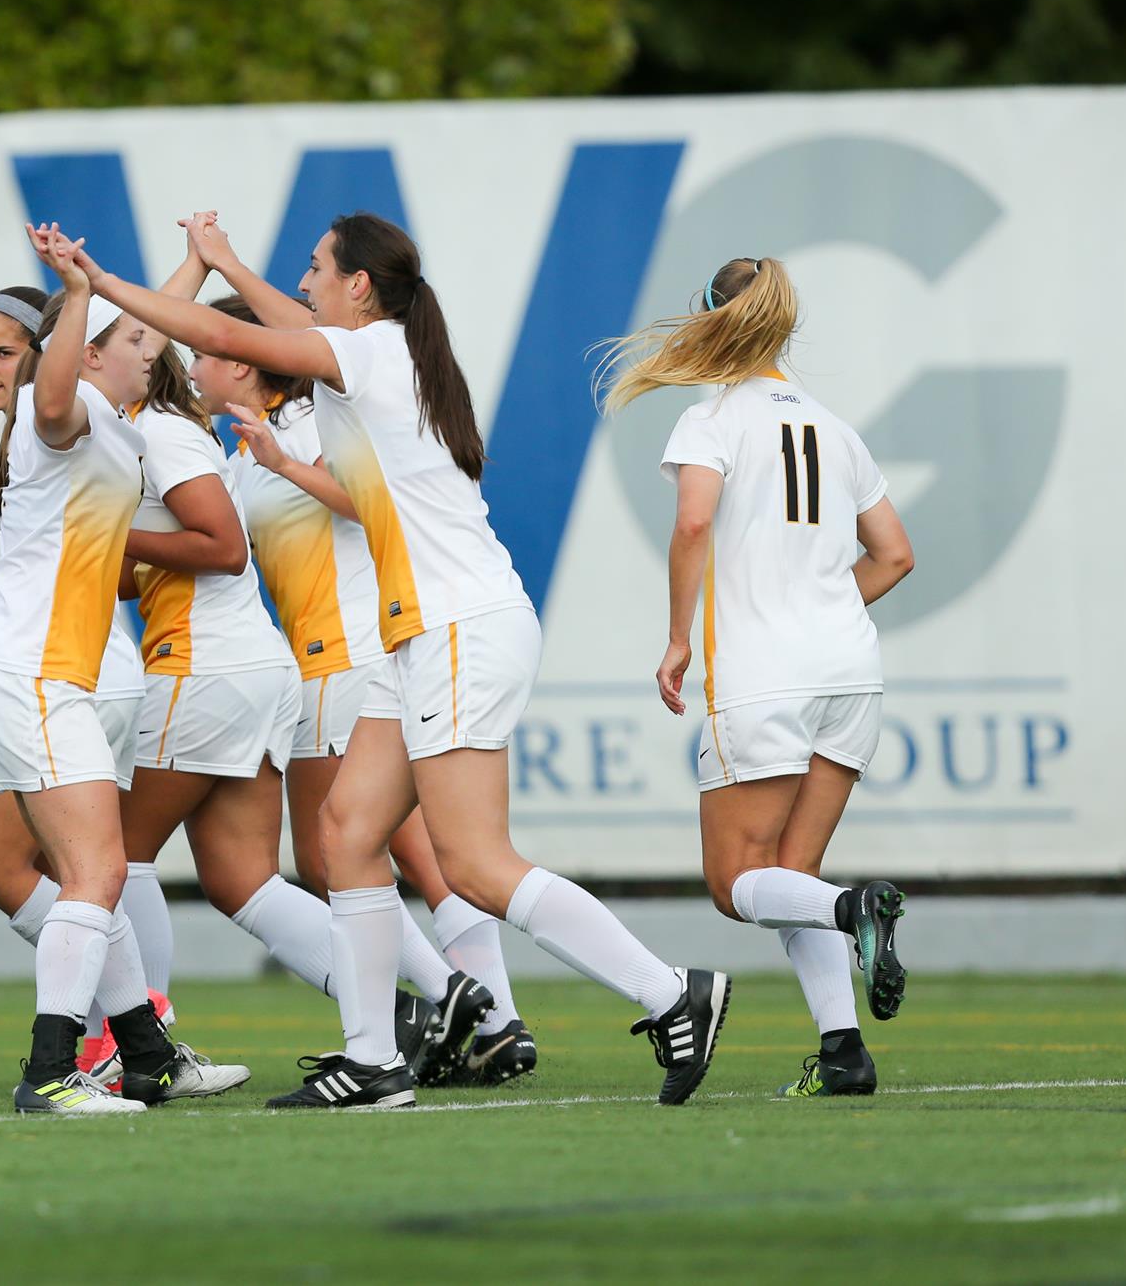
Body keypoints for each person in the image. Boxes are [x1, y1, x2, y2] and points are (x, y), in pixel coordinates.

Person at [62, 213, 729, 1108]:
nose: (300, 283)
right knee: (344, 839)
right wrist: (223, 263)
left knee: (477, 864)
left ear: (359, 287)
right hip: (418, 635)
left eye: (313, 268)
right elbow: (282, 328)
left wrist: (97, 286)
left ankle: (670, 991)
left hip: (460, 626)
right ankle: (373, 1059)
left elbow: (226, 334)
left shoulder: (371, 353)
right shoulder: (370, 349)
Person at [203, 274, 535, 1086]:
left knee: (354, 854)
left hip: (352, 656)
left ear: (250, 362)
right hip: (340, 662)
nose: (199, 363)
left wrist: (283, 462)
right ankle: (488, 1016)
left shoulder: (320, 418)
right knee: (393, 853)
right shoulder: (247, 448)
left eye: (210, 350)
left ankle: (461, 1002)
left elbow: (365, 503)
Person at [603, 255, 912, 1098]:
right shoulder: (834, 427)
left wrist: (676, 638)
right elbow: (896, 554)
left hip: (765, 676)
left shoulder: (714, 420)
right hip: (851, 671)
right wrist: (820, 601)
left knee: (736, 883)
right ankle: (844, 1051)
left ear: (710, 320)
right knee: (792, 880)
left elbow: (694, 518)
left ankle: (857, 910)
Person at [0, 225, 227, 1115]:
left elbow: (139, 316)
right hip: (34, 672)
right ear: (95, 349)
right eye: (135, 341)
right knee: (96, 874)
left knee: (88, 872)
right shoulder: (64, 408)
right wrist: (75, 296)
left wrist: (192, 262)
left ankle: (144, 1053)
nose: (154, 349)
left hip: (43, 671)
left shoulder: (114, 410)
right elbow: (59, 385)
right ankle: (51, 1071)